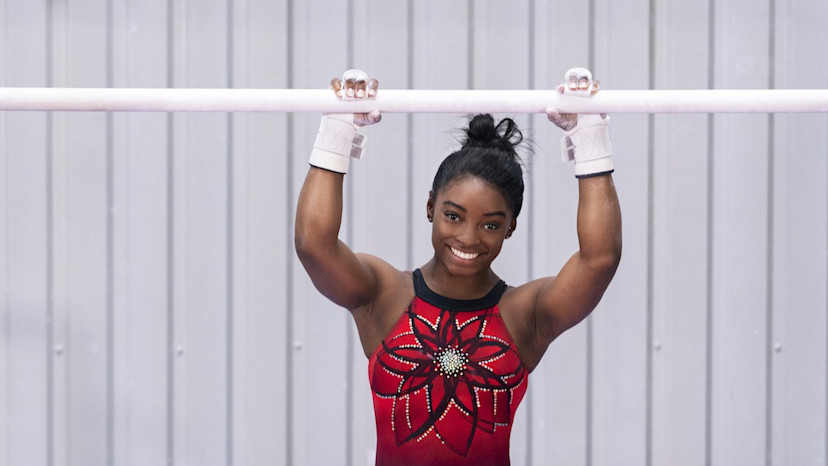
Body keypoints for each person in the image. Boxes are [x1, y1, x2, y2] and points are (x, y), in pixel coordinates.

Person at [295, 68, 622, 466]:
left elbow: (600, 258)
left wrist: (588, 137)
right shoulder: (383, 295)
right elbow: (314, 244)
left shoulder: (525, 314)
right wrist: (338, 128)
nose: (468, 238)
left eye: (490, 224)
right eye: (454, 216)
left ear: (510, 227)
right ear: (430, 206)